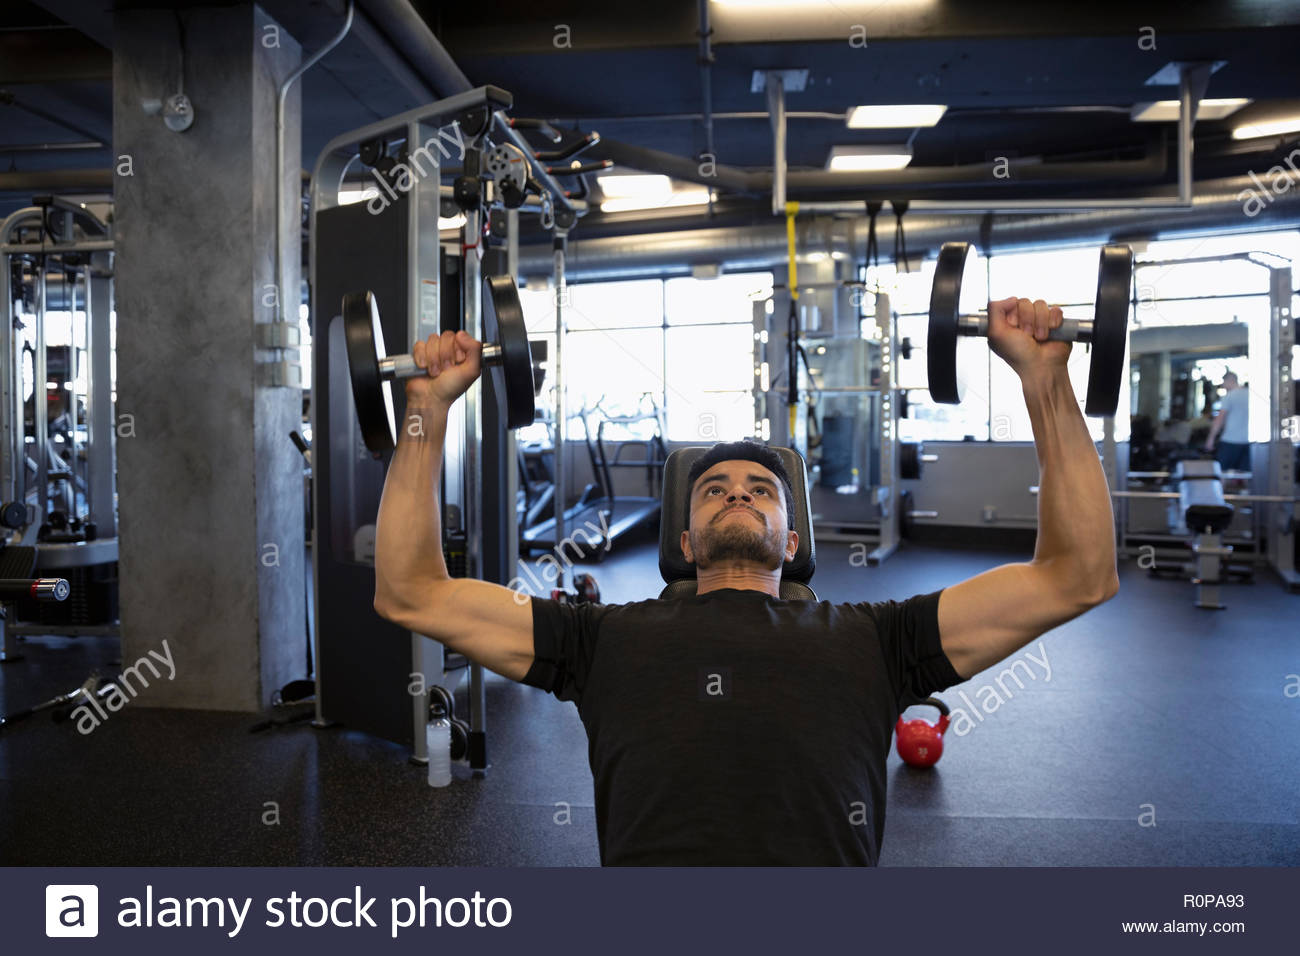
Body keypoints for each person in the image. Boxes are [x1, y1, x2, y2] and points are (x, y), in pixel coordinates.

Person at [373, 296, 1119, 866]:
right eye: (714, 488)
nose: (737, 491)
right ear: (686, 539)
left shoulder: (882, 639)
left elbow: (1075, 576)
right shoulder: (598, 640)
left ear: (791, 540)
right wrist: (425, 411)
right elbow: (410, 591)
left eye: (761, 489)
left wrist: (1046, 380)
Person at [1203, 371, 1250, 472]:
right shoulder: (1250, 394)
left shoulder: (1229, 396)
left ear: (1230, 381)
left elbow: (1219, 419)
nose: (1223, 386)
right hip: (1248, 441)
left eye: (1223, 382)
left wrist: (1210, 439)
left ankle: (1220, 488)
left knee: (1222, 472)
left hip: (1230, 440)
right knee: (1246, 474)